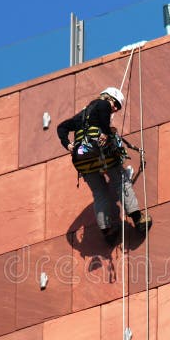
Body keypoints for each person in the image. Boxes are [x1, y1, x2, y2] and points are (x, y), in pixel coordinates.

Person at [57, 86, 152, 244]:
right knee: (121, 182)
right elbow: (103, 119)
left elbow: (61, 127)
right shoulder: (103, 104)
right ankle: (138, 219)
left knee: (99, 193)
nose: (115, 108)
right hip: (102, 151)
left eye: (117, 107)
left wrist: (68, 145)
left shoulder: (82, 115)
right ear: (108, 97)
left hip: (83, 159)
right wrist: (107, 133)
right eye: (116, 104)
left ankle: (107, 231)